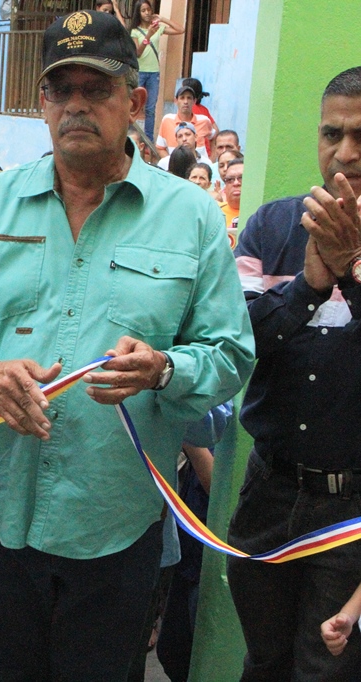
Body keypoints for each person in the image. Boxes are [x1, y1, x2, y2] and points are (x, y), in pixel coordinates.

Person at [0, 12, 253, 680]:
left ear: (134, 101)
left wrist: (165, 369)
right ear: (43, 103)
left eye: (98, 88)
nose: (77, 105)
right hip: (4, 514)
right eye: (63, 90)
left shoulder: (189, 216)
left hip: (119, 520)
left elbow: (230, 353)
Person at [227, 65, 361, 681]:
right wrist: (309, 285)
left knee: (324, 668)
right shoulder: (271, 226)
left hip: (351, 508)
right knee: (264, 660)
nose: (344, 152)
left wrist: (351, 272)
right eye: (332, 132)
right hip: (268, 492)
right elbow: (234, 343)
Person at [129, 0, 183, 142]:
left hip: (154, 73)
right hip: (140, 72)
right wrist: (148, 36)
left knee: (150, 109)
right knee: (133, 105)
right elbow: (138, 53)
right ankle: (132, 137)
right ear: (138, 13)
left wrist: (163, 19)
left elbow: (180, 30)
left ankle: (148, 140)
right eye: (143, 10)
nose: (147, 13)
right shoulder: (135, 31)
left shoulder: (158, 28)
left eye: (148, 9)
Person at [157, 81, 215, 157]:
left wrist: (211, 161)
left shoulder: (204, 121)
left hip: (199, 167)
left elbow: (214, 138)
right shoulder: (167, 120)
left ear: (194, 101)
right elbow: (160, 147)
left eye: (189, 98)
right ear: (176, 101)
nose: (185, 102)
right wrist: (171, 163)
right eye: (182, 98)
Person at [217, 157, 242, 229]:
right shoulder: (214, 212)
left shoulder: (262, 213)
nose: (236, 183)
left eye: (241, 178)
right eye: (230, 179)